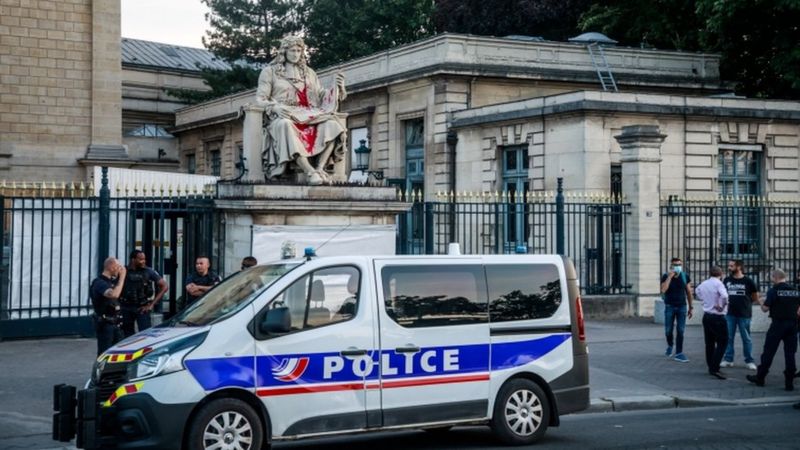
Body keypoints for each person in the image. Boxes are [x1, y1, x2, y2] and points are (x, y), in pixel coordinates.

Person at [255, 35, 348, 185]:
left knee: (334, 125)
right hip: (283, 114)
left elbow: (321, 96)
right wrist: (274, 107)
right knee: (285, 125)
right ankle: (309, 172)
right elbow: (260, 99)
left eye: (299, 50)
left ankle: (319, 168)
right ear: (284, 51)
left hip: (309, 114)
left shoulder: (309, 73)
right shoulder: (270, 72)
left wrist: (338, 88)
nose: (296, 54)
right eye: (292, 50)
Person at [746, 269, 799, 391]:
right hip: (793, 325)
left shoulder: (774, 291)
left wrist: (760, 300)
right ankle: (789, 382)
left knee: (769, 352)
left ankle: (760, 377)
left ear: (775, 278)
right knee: (790, 354)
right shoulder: (795, 291)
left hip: (777, 325)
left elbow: (765, 309)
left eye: (771, 277)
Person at [119, 250, 169, 337]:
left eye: (144, 259)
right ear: (133, 260)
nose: (143, 261)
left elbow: (164, 286)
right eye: (141, 259)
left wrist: (152, 304)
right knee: (127, 335)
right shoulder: (124, 271)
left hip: (142, 307)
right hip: (126, 307)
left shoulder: (148, 271)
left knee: (145, 335)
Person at [720, 260, 760, 370]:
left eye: (731, 266)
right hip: (729, 313)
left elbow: (755, 297)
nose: (729, 267)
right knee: (728, 337)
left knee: (746, 338)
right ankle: (728, 359)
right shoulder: (727, 280)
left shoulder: (748, 281)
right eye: (729, 265)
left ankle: (749, 360)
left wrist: (745, 304)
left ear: (739, 267)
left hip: (744, 314)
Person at [695, 266, 729, 379]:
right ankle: (715, 367)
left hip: (707, 316)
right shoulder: (719, 284)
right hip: (718, 317)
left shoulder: (704, 283)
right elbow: (724, 296)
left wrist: (705, 300)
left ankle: (710, 365)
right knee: (722, 342)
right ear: (721, 274)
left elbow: (697, 291)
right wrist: (721, 306)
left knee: (709, 343)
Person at [660, 257, 694, 362]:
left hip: (681, 307)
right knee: (668, 330)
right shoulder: (665, 276)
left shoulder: (685, 276)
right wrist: (670, 277)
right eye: (675, 265)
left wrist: (691, 307)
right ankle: (670, 345)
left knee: (680, 330)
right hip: (669, 306)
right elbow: (663, 290)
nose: (677, 267)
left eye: (679, 265)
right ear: (671, 266)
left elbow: (689, 292)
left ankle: (679, 353)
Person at [90, 257, 126, 356]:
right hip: (105, 324)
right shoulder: (99, 283)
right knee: (105, 354)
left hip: (116, 323)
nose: (120, 269)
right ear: (111, 266)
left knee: (118, 354)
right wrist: (122, 277)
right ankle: (101, 371)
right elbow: (114, 294)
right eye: (118, 266)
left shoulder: (111, 282)